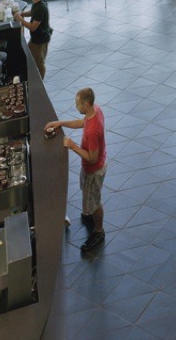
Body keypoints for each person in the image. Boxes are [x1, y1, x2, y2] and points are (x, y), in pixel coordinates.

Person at [47, 87, 106, 255]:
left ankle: (99, 231)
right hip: (89, 169)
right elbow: (82, 123)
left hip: (94, 170)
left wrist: (72, 146)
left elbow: (93, 158)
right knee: (88, 195)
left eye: (78, 104)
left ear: (86, 104)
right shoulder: (95, 111)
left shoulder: (93, 131)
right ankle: (90, 215)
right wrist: (61, 123)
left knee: (94, 202)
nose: (76, 107)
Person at [13, 0, 51, 78]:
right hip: (37, 38)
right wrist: (22, 14)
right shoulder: (38, 2)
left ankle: (40, 83)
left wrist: (20, 19)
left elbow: (33, 27)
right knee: (30, 57)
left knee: (39, 63)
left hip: (40, 40)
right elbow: (33, 12)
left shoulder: (40, 8)